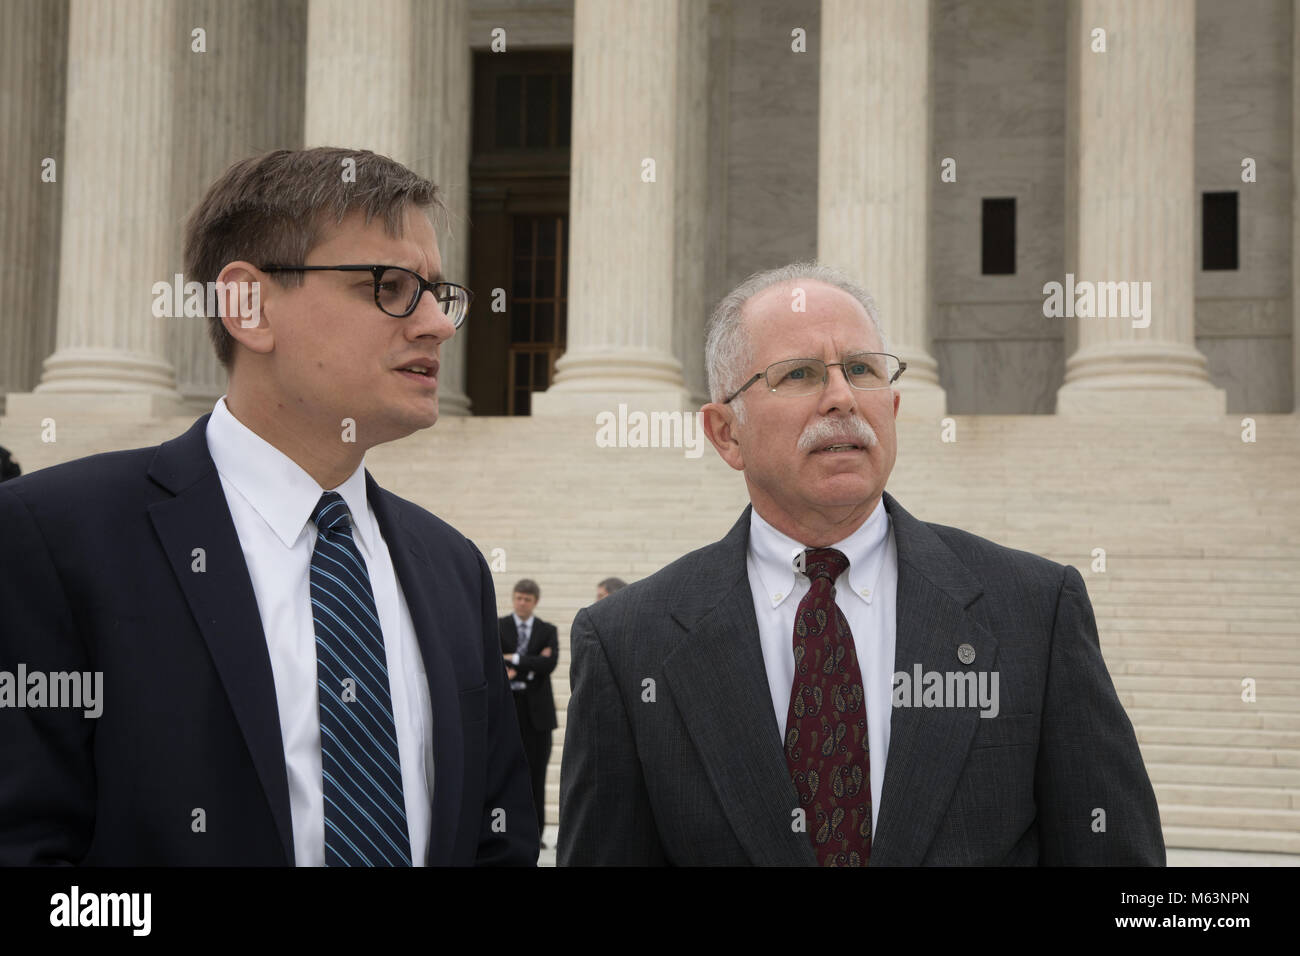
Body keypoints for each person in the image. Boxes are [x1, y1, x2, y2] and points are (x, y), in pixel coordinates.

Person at [0, 147, 537, 866]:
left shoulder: (453, 567)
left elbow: (497, 838)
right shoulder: (55, 537)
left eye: (440, 293)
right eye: (391, 286)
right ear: (248, 306)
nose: (437, 323)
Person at [559, 261, 1165, 866]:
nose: (842, 398)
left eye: (860, 369)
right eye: (798, 373)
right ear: (725, 434)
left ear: (893, 407)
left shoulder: (1035, 608)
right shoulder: (625, 644)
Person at [499, 579, 558, 844]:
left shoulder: (547, 630)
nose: (522, 603)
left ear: (535, 602)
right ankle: (506, 829)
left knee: (537, 773)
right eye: (518, 598)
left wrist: (514, 659)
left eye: (527, 599)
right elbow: (493, 660)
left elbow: (549, 664)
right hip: (507, 709)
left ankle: (536, 833)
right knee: (504, 772)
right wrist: (532, 664)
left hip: (538, 716)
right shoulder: (499, 626)